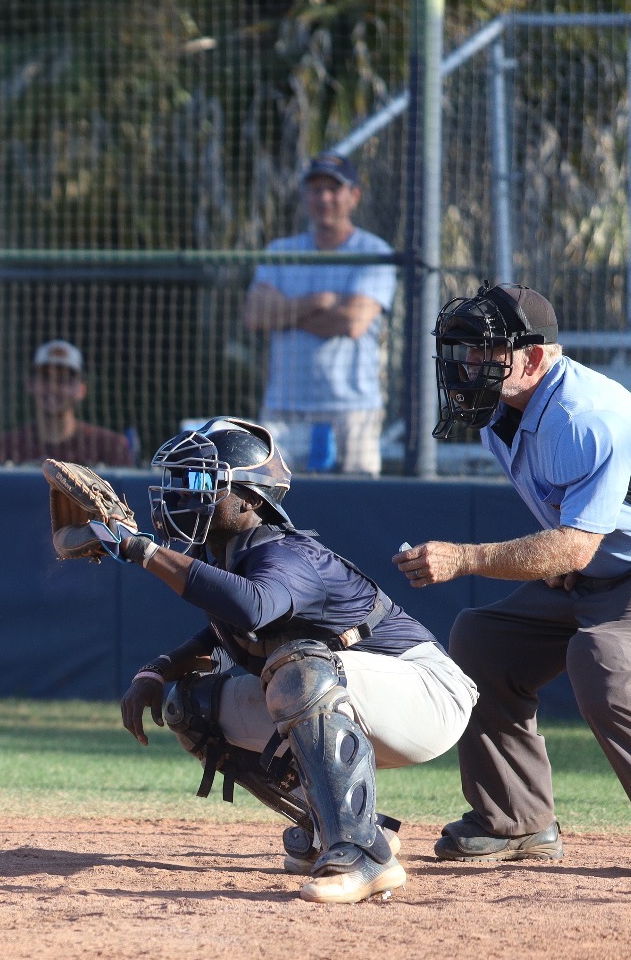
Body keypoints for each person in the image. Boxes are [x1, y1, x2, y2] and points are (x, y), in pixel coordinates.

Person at [104, 417, 475, 903]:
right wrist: (157, 670)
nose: (182, 494)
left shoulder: (288, 554)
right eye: (181, 480)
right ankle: (340, 826)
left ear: (251, 499)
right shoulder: (235, 557)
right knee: (190, 707)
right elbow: (224, 628)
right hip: (359, 692)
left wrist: (143, 551)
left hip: (428, 694)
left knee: (297, 669)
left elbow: (251, 606)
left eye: (201, 482)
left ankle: (363, 856)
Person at [394, 283, 631, 862]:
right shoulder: (502, 411)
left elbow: (574, 546)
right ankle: (515, 819)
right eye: (465, 351)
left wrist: (465, 558)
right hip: (598, 566)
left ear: (533, 357)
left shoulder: (586, 414)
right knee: (483, 641)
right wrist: (562, 558)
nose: (469, 364)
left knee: (599, 660)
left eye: (484, 351)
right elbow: (570, 536)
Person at [240, 154, 397, 476]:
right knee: (270, 504)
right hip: (284, 410)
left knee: (360, 509)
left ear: (353, 196)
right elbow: (255, 315)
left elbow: (352, 322)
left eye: (333, 189)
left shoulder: (374, 251)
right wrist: (320, 300)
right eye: (315, 189)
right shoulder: (280, 252)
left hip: (352, 411)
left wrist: (285, 310)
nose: (324, 198)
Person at [0, 340, 133, 466]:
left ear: (81, 389)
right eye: (45, 378)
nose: (53, 388)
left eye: (63, 380)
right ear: (30, 384)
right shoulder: (6, 448)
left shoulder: (110, 447)